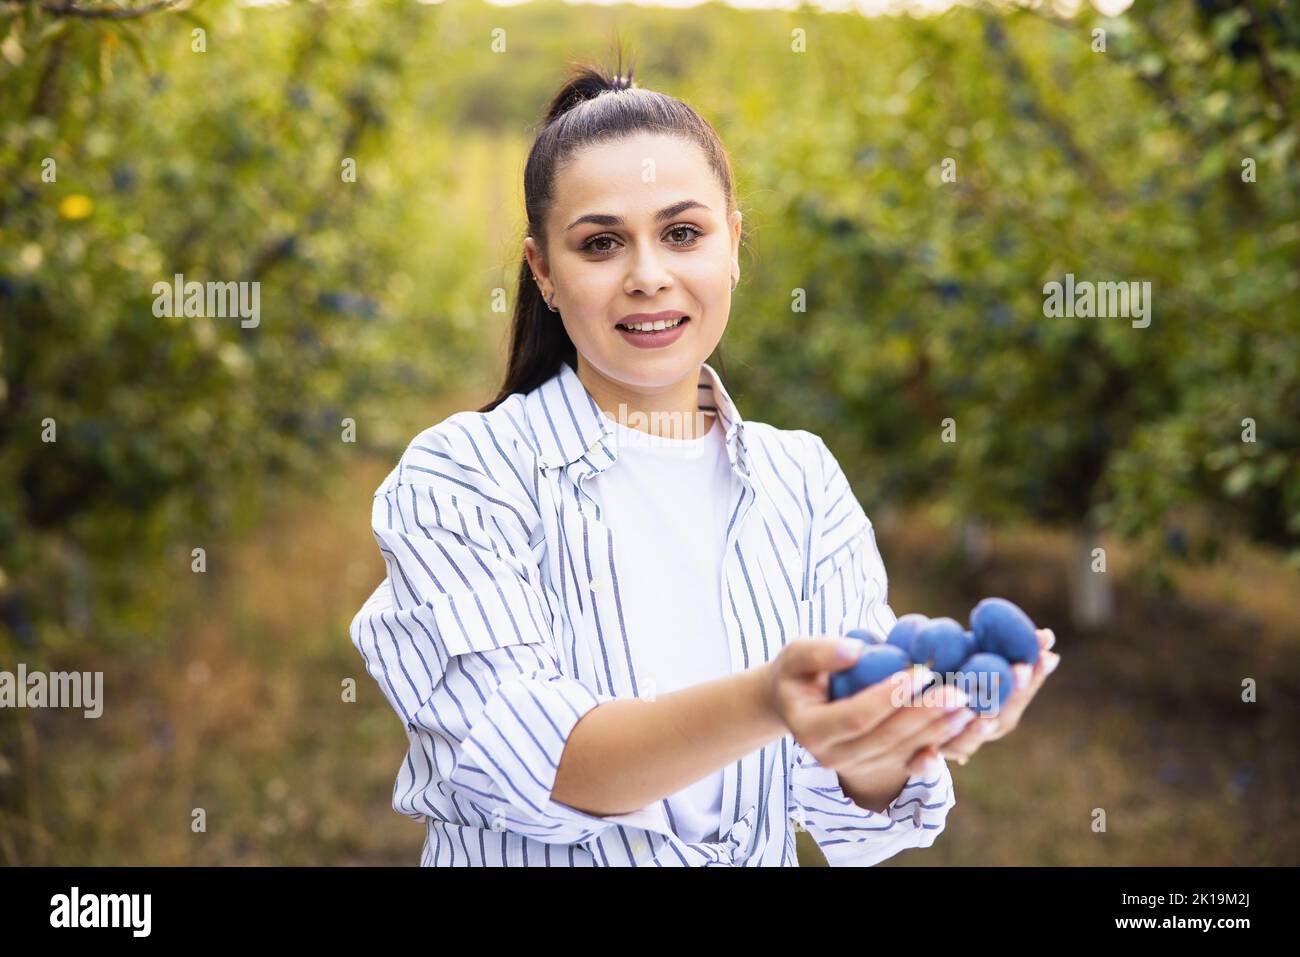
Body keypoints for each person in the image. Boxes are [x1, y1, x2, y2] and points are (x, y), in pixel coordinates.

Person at [348, 55, 1059, 867]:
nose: (648, 277)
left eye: (682, 233)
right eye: (601, 244)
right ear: (543, 271)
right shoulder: (461, 478)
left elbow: (850, 813)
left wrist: (898, 735)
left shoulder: (803, 482)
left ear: (734, 246)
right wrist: (770, 698)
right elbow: (534, 764)